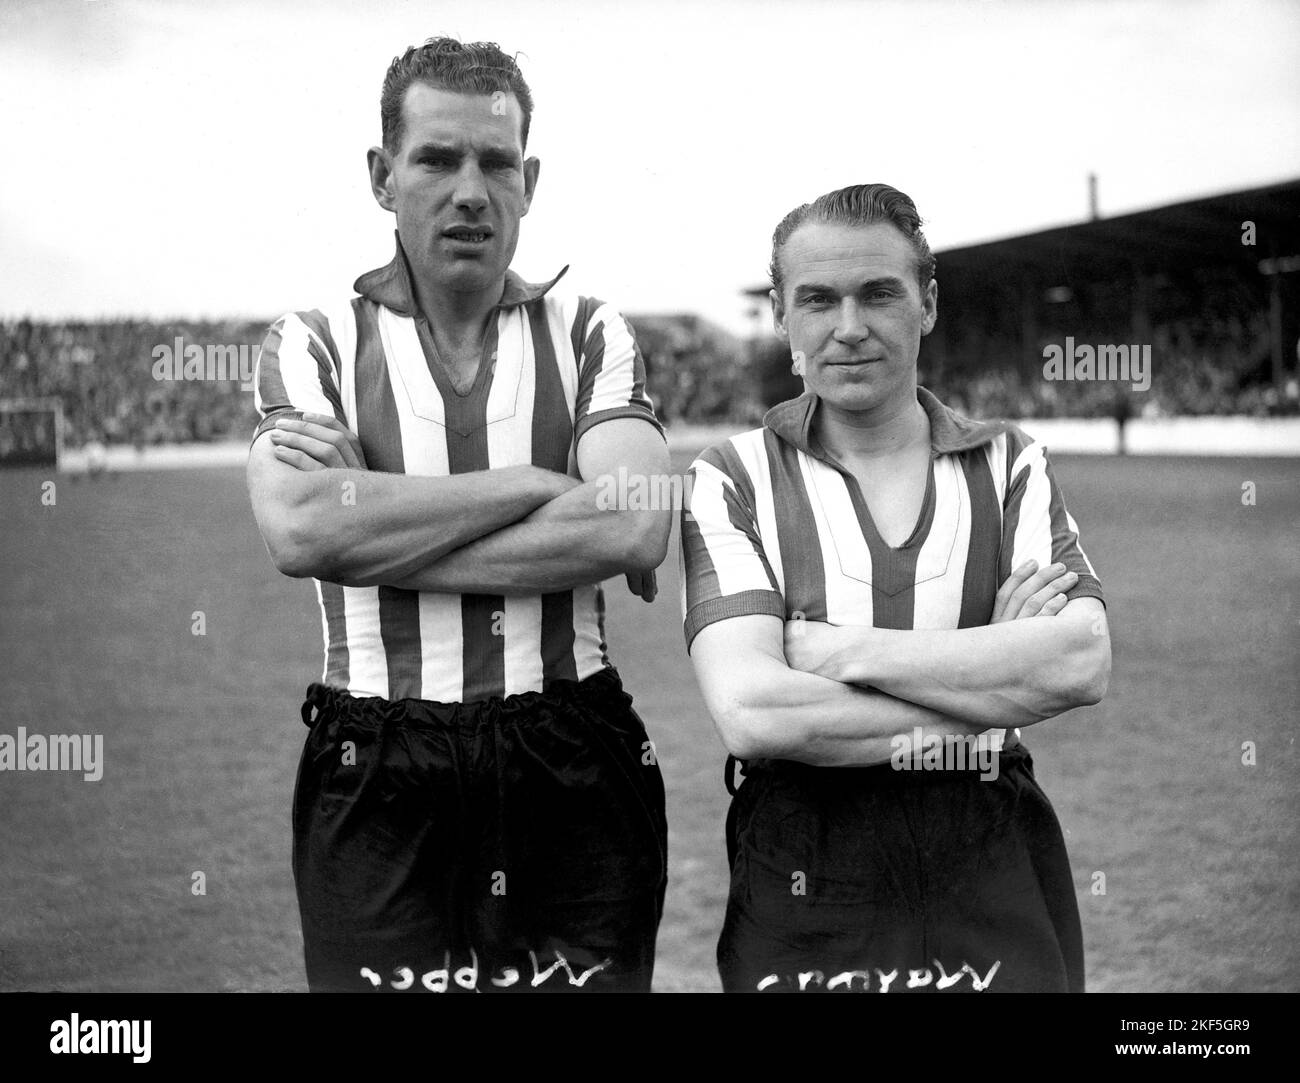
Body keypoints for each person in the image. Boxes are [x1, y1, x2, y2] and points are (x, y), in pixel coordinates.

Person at [246, 37, 671, 993]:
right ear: (382, 175)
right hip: (378, 758)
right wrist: (535, 485)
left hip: (570, 751)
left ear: (530, 180)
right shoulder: (312, 340)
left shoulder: (591, 331)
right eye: (437, 158)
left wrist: (379, 527)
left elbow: (633, 523)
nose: (471, 190)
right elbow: (306, 531)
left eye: (498, 163)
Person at [680, 183, 1111, 993]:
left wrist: (850, 651)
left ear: (928, 303)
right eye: (818, 300)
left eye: (879, 293)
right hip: (807, 847)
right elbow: (756, 712)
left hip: (987, 836)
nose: (849, 327)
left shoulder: (1008, 462)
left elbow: (1079, 663)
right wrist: (996, 688)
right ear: (781, 314)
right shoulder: (729, 478)